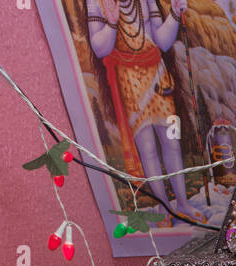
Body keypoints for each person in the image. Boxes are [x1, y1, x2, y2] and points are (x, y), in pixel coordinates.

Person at [86, 0, 205, 223]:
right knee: (148, 147)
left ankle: (183, 203)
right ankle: (163, 208)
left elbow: (162, 41)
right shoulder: (95, 2)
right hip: (129, 81)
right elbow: (99, 48)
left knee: (173, 140)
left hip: (159, 76)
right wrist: (112, 23)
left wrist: (175, 15)